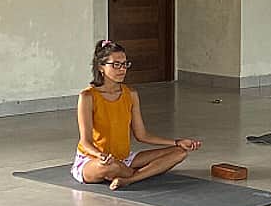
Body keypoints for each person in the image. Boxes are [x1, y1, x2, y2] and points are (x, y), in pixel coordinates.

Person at [73, 40, 202, 190]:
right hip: (95, 160)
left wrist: (176, 142)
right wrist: (101, 156)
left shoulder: (131, 94)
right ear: (101, 67)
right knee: (111, 167)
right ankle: (139, 174)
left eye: (125, 64)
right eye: (116, 64)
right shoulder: (87, 96)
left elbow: (142, 135)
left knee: (180, 153)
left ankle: (129, 179)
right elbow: (85, 142)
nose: (122, 69)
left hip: (125, 158)